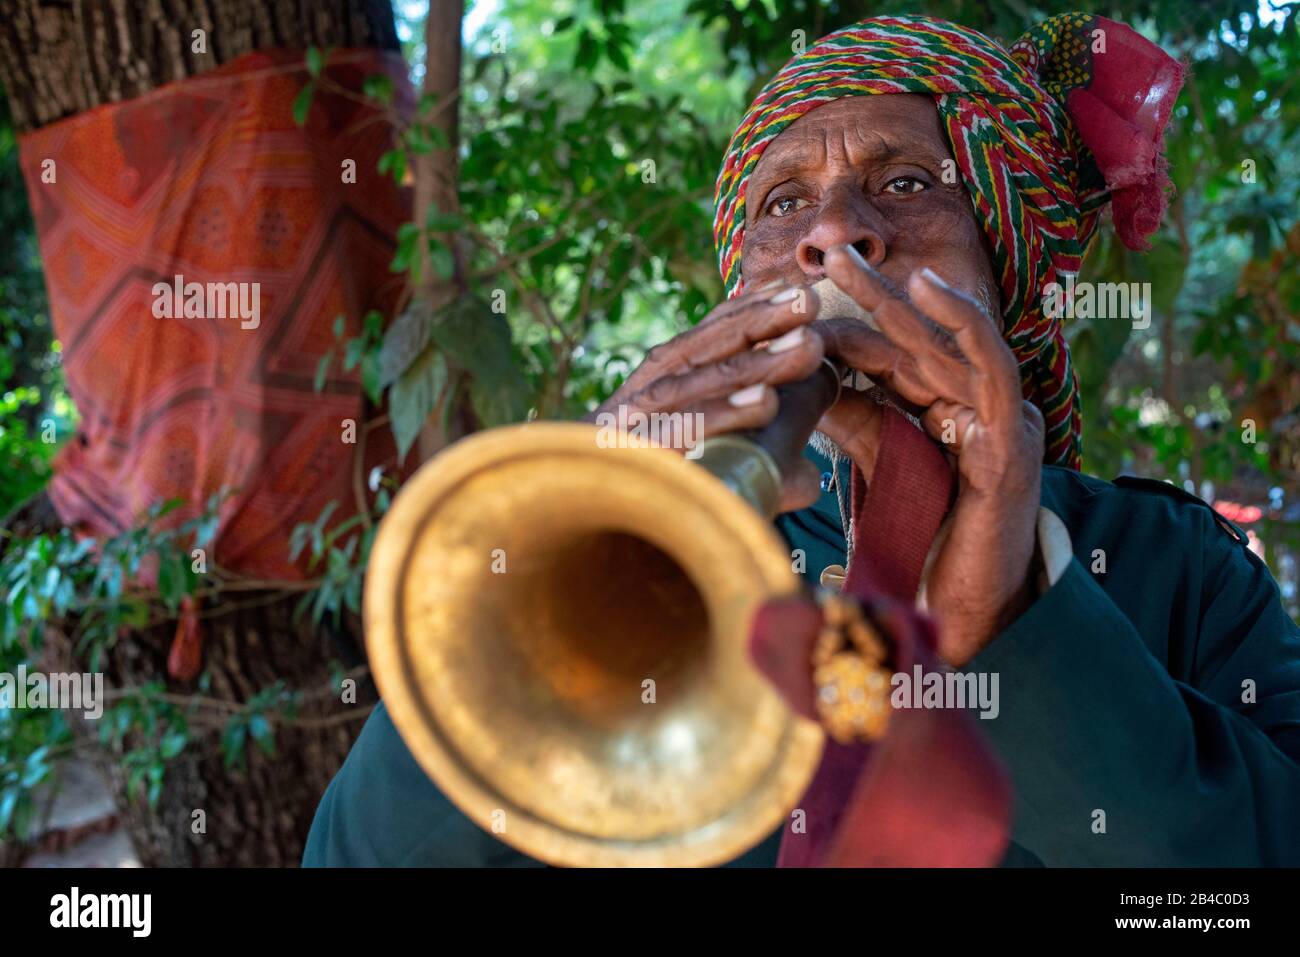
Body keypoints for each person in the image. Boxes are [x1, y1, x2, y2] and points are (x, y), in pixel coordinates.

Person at [304, 13, 1300, 867]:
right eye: (783, 203)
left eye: (907, 182)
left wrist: (1007, 624)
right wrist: (578, 577)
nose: (833, 231)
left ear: (1013, 273)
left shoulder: (1179, 569)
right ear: (742, 289)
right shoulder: (648, 552)